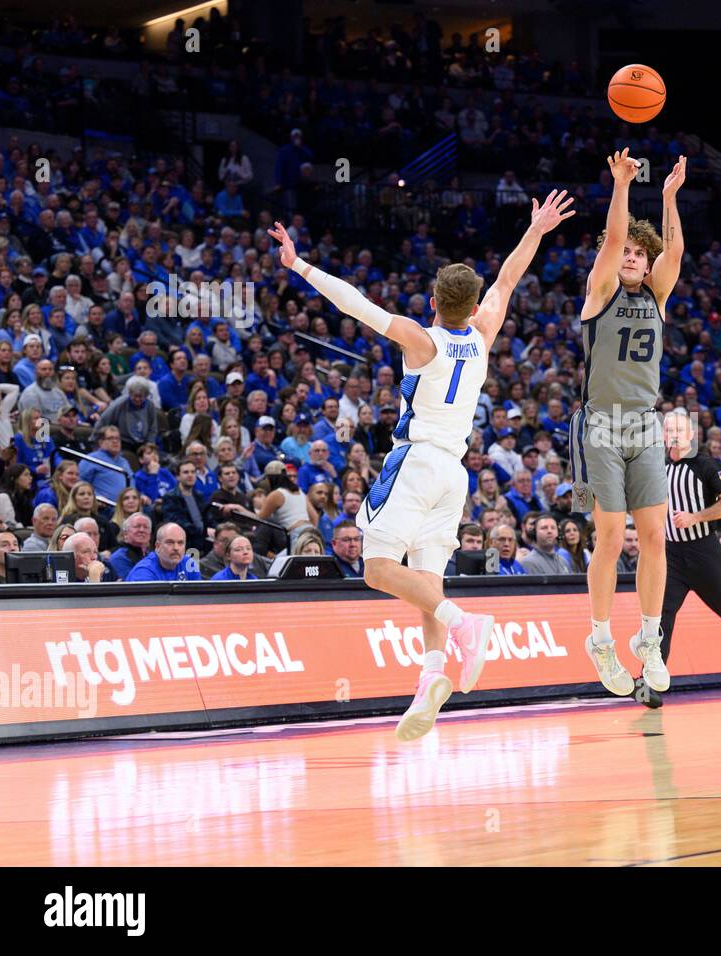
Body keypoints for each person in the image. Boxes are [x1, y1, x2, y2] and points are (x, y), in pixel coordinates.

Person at [270, 190, 574, 742]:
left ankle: (465, 624)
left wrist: (299, 264)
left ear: (433, 300)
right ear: (472, 303)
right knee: (423, 582)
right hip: (455, 472)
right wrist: (537, 229)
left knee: (378, 570)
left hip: (414, 463)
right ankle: (432, 675)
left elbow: (355, 304)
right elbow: (508, 279)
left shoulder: (420, 340)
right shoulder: (482, 336)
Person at [574, 149, 687, 699]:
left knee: (653, 538)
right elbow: (614, 239)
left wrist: (668, 197)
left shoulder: (659, 295)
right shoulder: (600, 292)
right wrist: (621, 184)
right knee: (611, 536)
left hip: (644, 424)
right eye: (627, 252)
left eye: (643, 254)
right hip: (598, 425)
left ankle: (649, 637)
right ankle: (599, 638)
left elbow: (677, 252)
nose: (633, 258)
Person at [633, 410, 721, 707]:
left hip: (703, 552)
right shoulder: (657, 467)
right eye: (667, 428)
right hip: (671, 554)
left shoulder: (707, 465)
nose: (671, 433)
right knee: (660, 618)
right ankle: (649, 682)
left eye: (677, 429)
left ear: (690, 435)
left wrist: (696, 517)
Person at [125, 522, 201, 581]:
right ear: (158, 546)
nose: (176, 548)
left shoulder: (189, 564)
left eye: (180, 543)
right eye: (170, 542)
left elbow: (199, 597)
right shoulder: (143, 572)